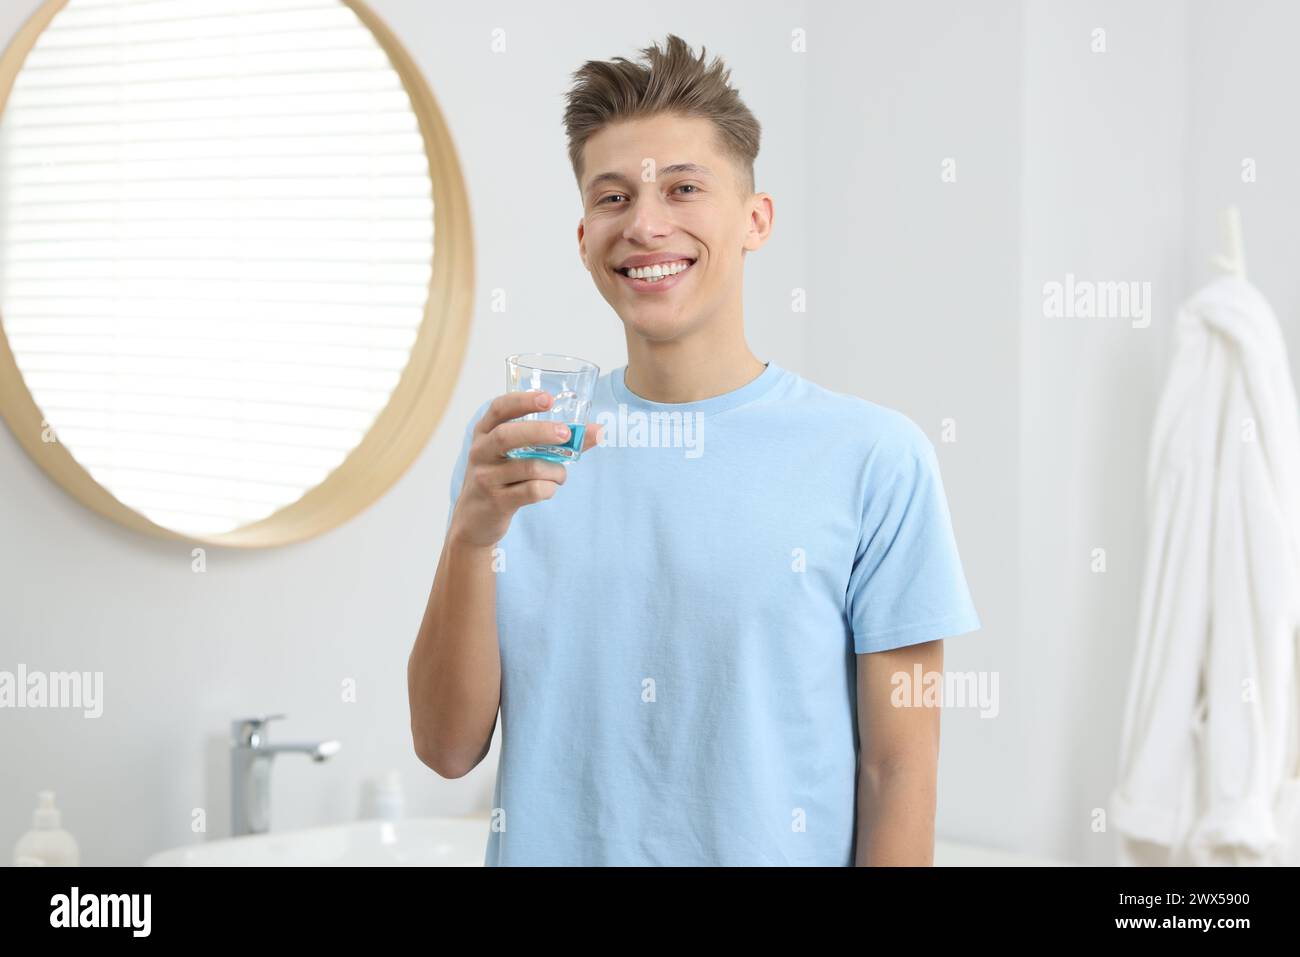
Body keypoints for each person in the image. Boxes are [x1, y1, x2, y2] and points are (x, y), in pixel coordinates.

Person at [407, 34, 981, 866]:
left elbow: (898, 772)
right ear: (582, 236)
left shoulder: (874, 459)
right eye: (612, 199)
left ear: (756, 220)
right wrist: (471, 537)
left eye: (683, 189)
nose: (645, 225)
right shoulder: (517, 453)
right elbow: (445, 746)